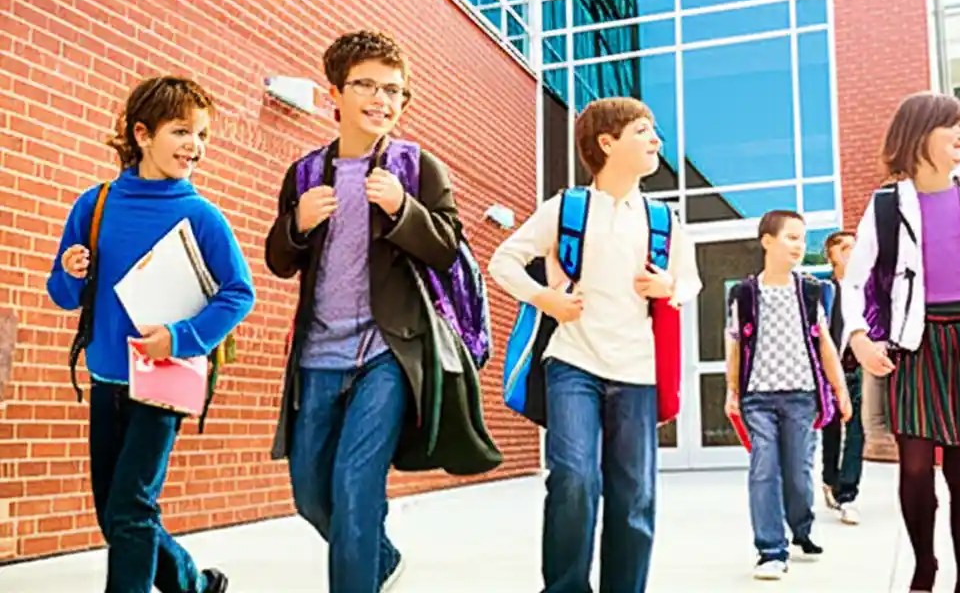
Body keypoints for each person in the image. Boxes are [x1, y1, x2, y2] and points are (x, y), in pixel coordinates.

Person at [265, 30, 466, 593]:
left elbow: (447, 248)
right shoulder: (304, 174)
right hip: (317, 355)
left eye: (394, 91)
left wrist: (403, 209)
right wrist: (296, 225)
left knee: (356, 486)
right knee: (310, 492)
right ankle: (379, 557)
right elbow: (280, 261)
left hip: (389, 352)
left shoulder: (419, 168)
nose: (382, 100)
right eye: (367, 86)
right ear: (335, 92)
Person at [47, 76, 256, 593]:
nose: (195, 146)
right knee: (114, 512)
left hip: (163, 383)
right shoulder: (93, 206)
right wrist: (70, 273)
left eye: (202, 135)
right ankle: (194, 585)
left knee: (132, 508)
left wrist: (181, 338)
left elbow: (238, 293)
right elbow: (63, 294)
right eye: (182, 131)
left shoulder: (202, 216)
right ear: (142, 134)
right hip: (105, 378)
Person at [488, 97, 702, 593]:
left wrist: (667, 287)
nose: (657, 141)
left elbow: (690, 285)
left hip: (638, 372)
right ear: (607, 143)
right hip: (572, 363)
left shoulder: (662, 218)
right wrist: (548, 299)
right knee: (574, 479)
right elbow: (504, 261)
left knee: (634, 494)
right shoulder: (566, 207)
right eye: (644, 131)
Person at [840, 92, 960, 593]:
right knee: (915, 468)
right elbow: (853, 282)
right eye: (950, 127)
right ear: (918, 134)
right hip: (913, 345)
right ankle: (925, 564)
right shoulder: (884, 206)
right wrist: (859, 338)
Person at [724, 212, 854, 579]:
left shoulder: (811, 290)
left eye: (802, 238)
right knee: (764, 468)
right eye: (792, 238)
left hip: (801, 396)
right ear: (767, 241)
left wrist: (839, 389)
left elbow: (825, 343)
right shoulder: (744, 293)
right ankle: (770, 550)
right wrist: (732, 390)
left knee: (798, 473)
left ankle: (801, 527)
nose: (800, 245)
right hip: (758, 398)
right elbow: (734, 344)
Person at [818, 230, 866, 525]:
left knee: (858, 431)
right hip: (829, 371)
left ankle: (848, 495)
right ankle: (830, 480)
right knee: (831, 430)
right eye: (844, 247)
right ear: (831, 255)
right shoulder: (822, 289)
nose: (850, 251)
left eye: (854, 247)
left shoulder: (867, 287)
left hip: (858, 370)